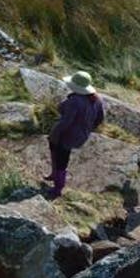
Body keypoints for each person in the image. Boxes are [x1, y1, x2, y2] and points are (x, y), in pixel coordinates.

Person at [43, 71, 104, 199]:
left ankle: (58, 188)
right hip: (82, 135)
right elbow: (99, 119)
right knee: (55, 148)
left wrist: (55, 133)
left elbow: (66, 121)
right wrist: (87, 128)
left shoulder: (75, 101)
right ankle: (54, 174)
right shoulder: (97, 99)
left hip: (67, 135)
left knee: (61, 158)